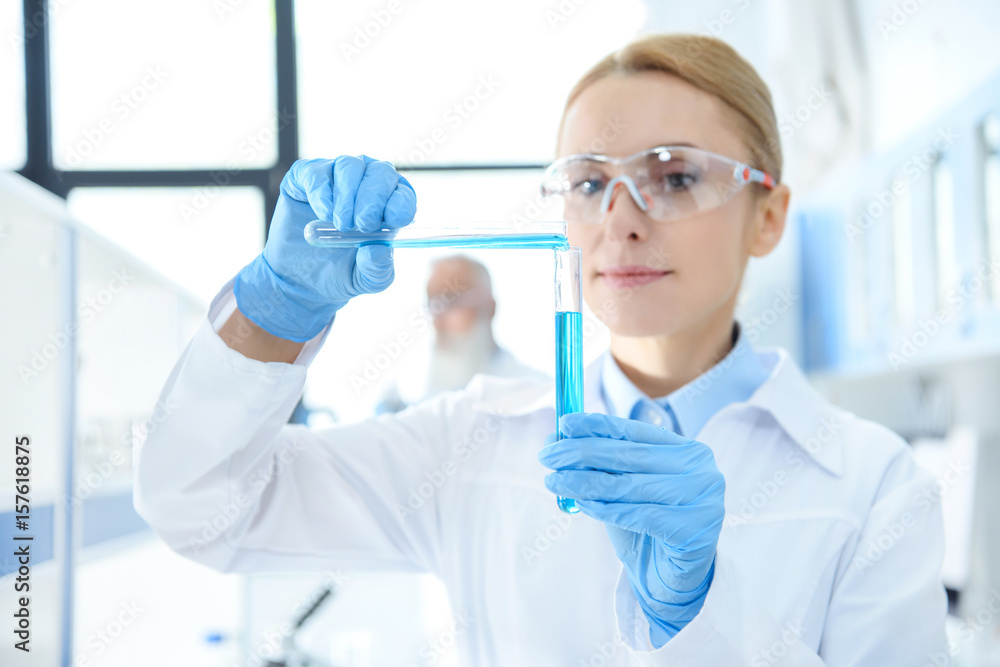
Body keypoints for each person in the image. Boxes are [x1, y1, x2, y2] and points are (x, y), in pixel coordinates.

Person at [134, 34, 949, 665]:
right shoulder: (468, 442)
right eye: (590, 183)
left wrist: (703, 609)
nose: (621, 218)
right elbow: (200, 508)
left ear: (768, 215)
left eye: (673, 177)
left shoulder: (877, 486)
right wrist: (277, 307)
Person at [377, 254, 549, 414]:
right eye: (433, 305)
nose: (439, 321)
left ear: (489, 308)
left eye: (451, 301)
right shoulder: (416, 397)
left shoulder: (537, 394)